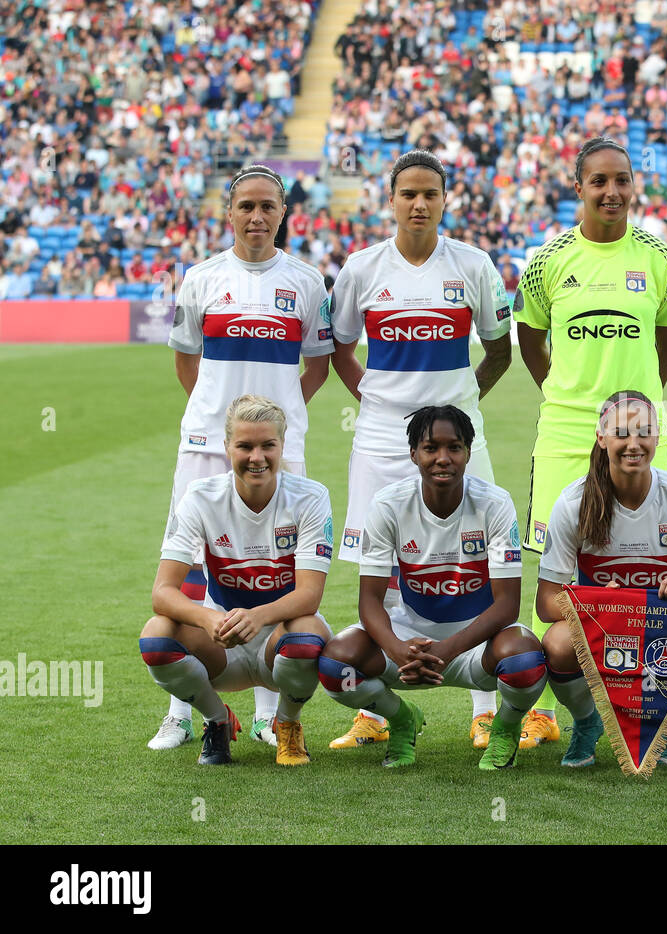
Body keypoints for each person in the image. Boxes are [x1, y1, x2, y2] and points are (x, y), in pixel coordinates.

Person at [327, 150, 513, 752]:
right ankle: (378, 712)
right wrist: (378, 402)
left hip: (459, 442)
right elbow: (342, 348)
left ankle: (486, 708)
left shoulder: (474, 265)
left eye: (430, 193)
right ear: (391, 200)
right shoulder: (361, 269)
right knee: (377, 565)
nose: (419, 203)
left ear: (444, 199)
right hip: (381, 438)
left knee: (477, 559)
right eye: (408, 193)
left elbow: (499, 348)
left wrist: (454, 416)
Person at [151, 164, 333, 752]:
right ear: (229, 212)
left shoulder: (306, 281)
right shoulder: (201, 278)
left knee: (270, 569)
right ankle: (185, 712)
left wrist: (273, 428)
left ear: (284, 214)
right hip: (206, 447)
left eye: (268, 207)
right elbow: (186, 362)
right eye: (246, 206)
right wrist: (222, 429)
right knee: (198, 578)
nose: (257, 217)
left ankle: (265, 711)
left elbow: (319, 366)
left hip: (280, 451)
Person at [515, 138, 667, 750]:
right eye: (598, 181)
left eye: (622, 180)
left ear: (634, 184)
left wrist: (638, 406)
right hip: (564, 431)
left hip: (641, 433)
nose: (611, 192)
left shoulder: (662, 259)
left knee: (656, 562)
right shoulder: (548, 260)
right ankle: (543, 711)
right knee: (555, 567)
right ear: (578, 185)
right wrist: (566, 392)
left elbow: (666, 341)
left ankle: (665, 700)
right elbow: (531, 338)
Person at [316, 406, 544, 770]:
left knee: (525, 659)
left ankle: (505, 728)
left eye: (454, 447)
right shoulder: (388, 504)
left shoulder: (494, 504)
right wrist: (398, 649)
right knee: (335, 665)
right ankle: (402, 719)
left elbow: (507, 606)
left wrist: (447, 650)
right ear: (413, 454)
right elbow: (370, 601)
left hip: (474, 647)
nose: (442, 458)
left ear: (469, 453)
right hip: (410, 643)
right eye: (430, 448)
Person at [535, 392, 667, 767]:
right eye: (621, 433)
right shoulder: (573, 502)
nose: (633, 443)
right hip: (606, 630)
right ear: (601, 437)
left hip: (664, 627)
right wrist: (593, 600)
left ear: (659, 437)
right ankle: (587, 722)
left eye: (644, 432)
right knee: (557, 643)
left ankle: (666, 721)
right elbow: (546, 604)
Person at [139, 395, 333, 766]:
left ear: (282, 446)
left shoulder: (310, 497)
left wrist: (258, 616)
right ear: (227, 447)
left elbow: (309, 594)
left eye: (267, 446)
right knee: (156, 635)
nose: (256, 457)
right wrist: (209, 619)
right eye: (244, 445)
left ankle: (288, 724)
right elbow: (162, 593)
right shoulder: (201, 497)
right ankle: (217, 721)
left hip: (281, 643)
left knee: (308, 633)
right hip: (221, 642)